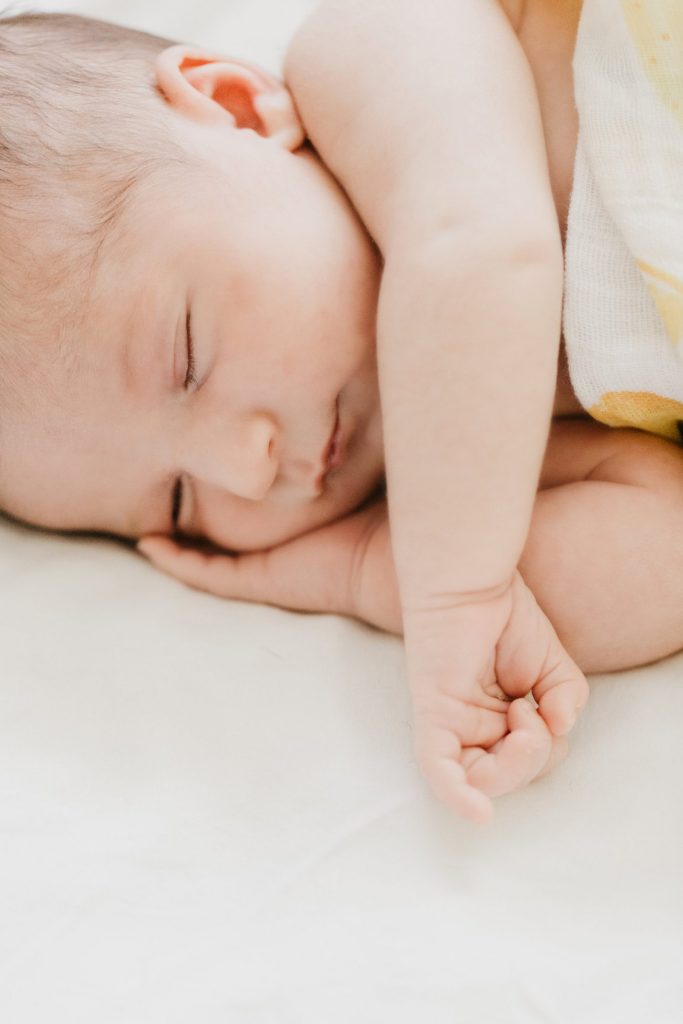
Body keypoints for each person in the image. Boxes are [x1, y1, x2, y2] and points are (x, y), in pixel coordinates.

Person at [1, 3, 682, 823]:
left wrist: (453, 591)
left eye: (187, 360)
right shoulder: (475, 479)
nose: (242, 469)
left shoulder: (377, 50)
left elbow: (481, 250)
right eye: (177, 500)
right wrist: (371, 566)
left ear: (236, 108)